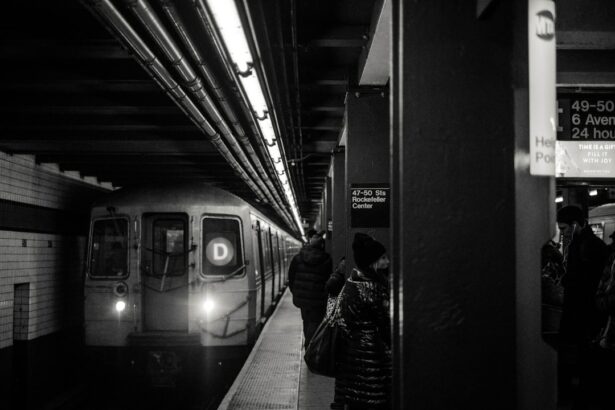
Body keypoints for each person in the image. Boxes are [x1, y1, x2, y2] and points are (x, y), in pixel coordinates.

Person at [556, 205, 608, 409]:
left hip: (582, 313)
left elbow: (586, 284)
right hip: (583, 312)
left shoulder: (588, 247)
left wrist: (567, 283)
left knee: (580, 355)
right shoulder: (585, 244)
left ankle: (580, 395)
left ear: (575, 224)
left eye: (564, 228)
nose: (562, 233)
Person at [333, 233, 391, 410]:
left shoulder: (351, 283)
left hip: (352, 359)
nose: (387, 262)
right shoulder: (373, 289)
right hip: (372, 359)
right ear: (372, 263)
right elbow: (387, 326)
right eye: (383, 258)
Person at [288, 229, 333, 348]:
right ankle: (310, 346)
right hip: (318, 300)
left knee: (306, 321)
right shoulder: (326, 259)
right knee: (315, 322)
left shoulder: (298, 258)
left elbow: (291, 278)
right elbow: (328, 279)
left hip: (303, 300)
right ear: (322, 245)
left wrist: (296, 292)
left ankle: (308, 344)